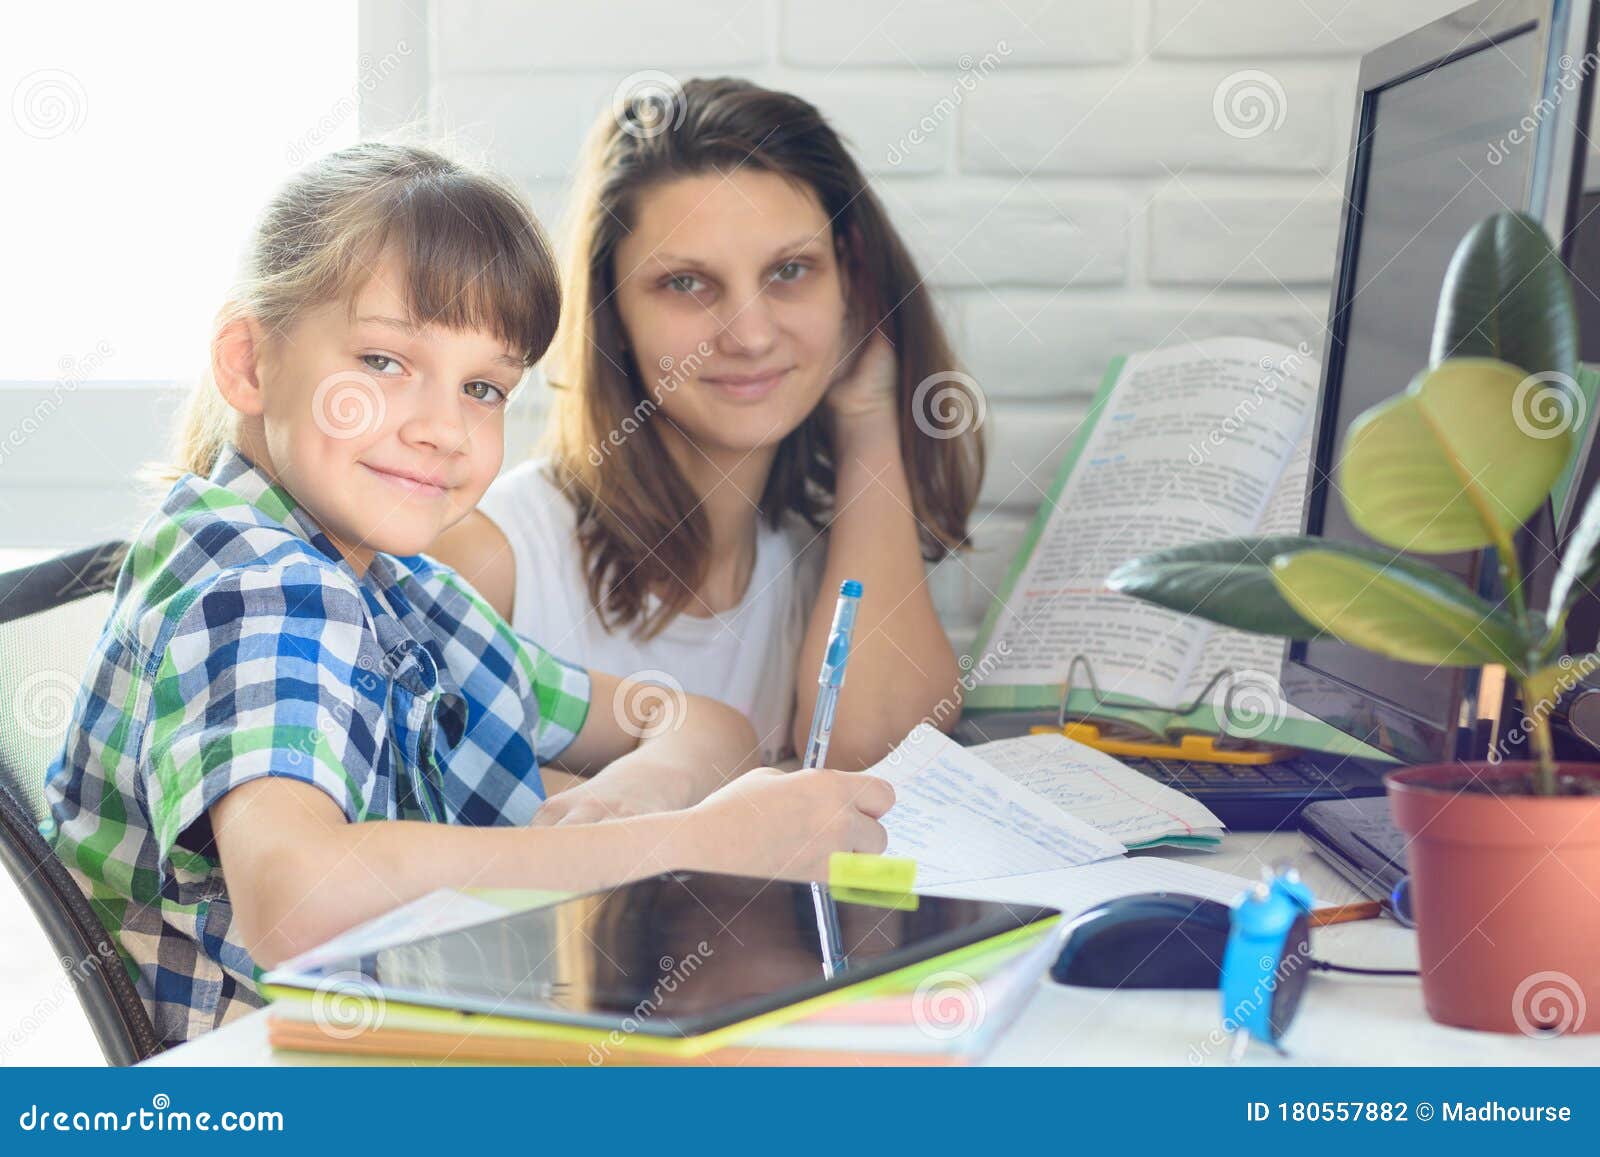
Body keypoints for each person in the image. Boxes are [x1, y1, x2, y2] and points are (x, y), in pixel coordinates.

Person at [43, 142, 892, 1048]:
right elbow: (298, 896)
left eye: (483, 386)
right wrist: (691, 844)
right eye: (383, 361)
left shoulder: (405, 592)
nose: (444, 428)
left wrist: (643, 785)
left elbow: (704, 723)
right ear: (249, 362)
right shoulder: (258, 585)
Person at [433, 78, 985, 769]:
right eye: (687, 283)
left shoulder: (824, 566)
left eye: (791, 269)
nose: (750, 335)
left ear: (853, 284)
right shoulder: (493, 559)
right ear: (613, 312)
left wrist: (870, 418)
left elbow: (880, 762)